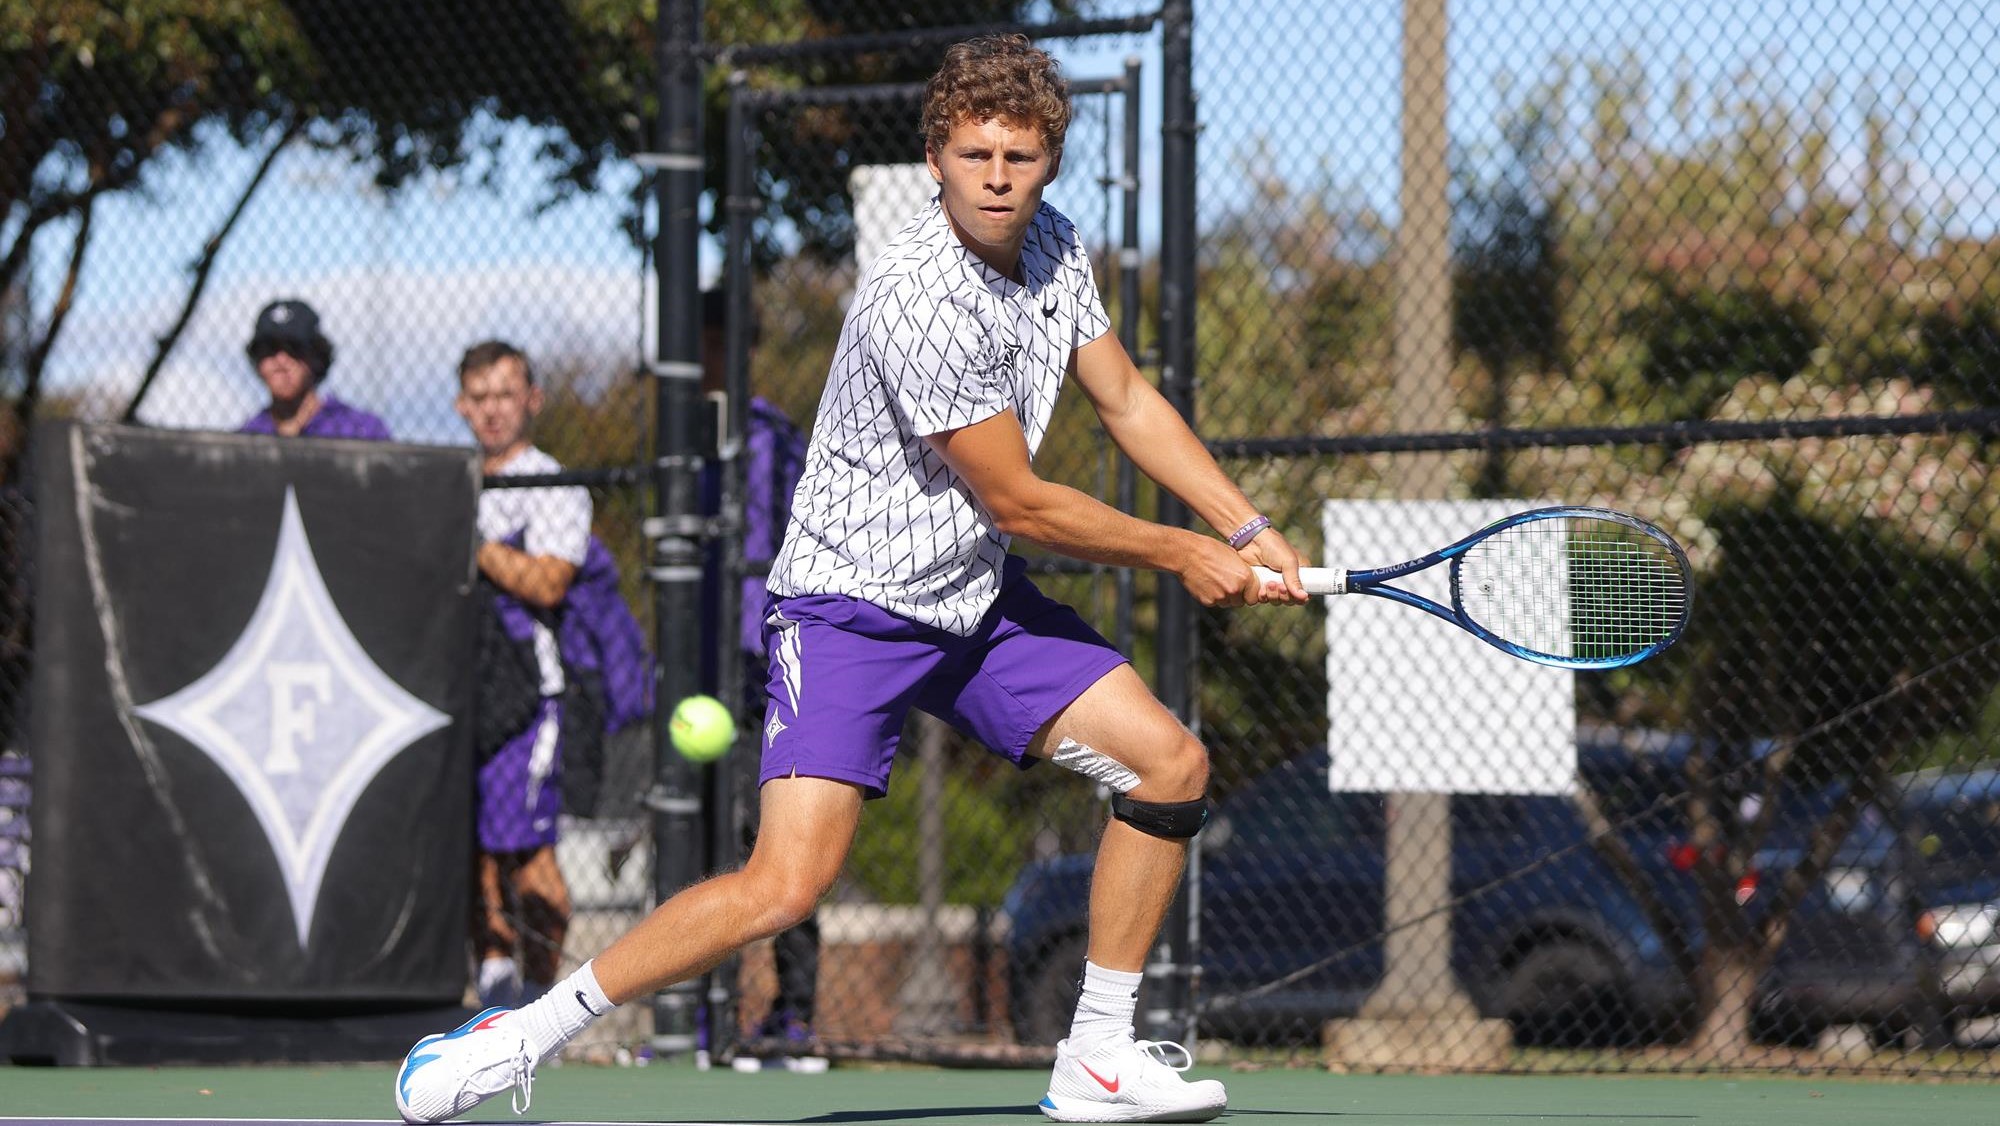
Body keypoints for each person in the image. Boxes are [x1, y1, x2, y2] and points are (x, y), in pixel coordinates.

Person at [393, 35, 1306, 1126]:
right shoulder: (915, 295)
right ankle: (524, 1033)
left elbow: (1126, 403)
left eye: (1019, 154)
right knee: (782, 887)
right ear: (935, 157)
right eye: (975, 153)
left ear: (1050, 163)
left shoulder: (1056, 246)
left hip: (970, 600)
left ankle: (1096, 1055)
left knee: (1167, 765)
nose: (998, 175)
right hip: (849, 612)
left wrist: (1241, 521)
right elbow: (1017, 500)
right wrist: (1181, 550)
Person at [694, 288, 818, 1049]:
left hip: (759, 661)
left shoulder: (771, 436)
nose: (712, 356)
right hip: (694, 666)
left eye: (720, 340)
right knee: (695, 838)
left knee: (773, 833)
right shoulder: (683, 436)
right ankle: (703, 1017)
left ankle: (791, 1013)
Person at [455, 340, 592, 1012]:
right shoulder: (452, 478)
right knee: (476, 859)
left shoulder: (553, 481)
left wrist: (470, 544)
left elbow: (547, 581)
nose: (492, 410)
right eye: (479, 397)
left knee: (529, 857)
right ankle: (493, 1003)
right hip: (459, 697)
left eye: (504, 395)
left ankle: (544, 1015)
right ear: (460, 405)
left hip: (528, 699)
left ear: (531, 400)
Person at [237, 298, 392, 439]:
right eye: (269, 349)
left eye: (294, 349)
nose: (281, 361)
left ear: (317, 357)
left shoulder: (360, 431)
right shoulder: (247, 437)